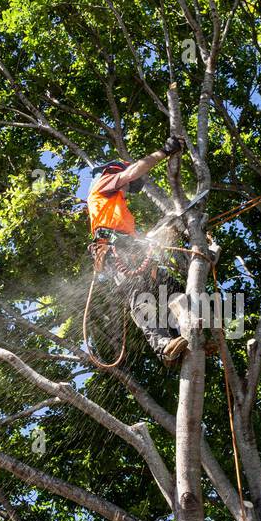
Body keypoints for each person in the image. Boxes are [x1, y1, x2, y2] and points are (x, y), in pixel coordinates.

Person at [87, 138, 192, 363]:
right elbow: (132, 172)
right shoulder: (103, 185)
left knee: (170, 286)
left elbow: (141, 241)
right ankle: (163, 346)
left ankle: (191, 334)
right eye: (127, 185)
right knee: (139, 293)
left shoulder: (120, 211)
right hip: (113, 249)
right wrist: (164, 151)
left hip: (132, 249)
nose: (127, 190)